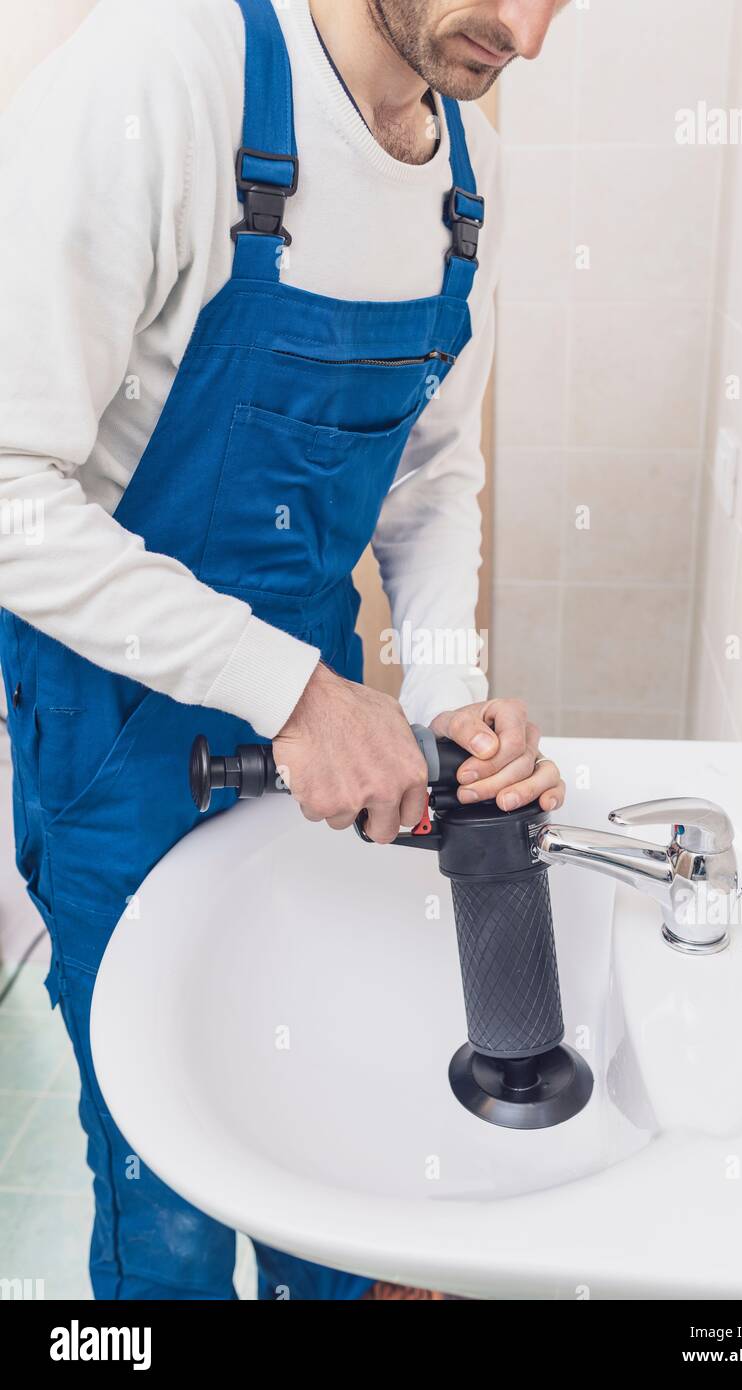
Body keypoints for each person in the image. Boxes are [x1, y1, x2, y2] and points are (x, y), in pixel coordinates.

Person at [0, 0, 569, 1300]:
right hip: (119, 746)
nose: (528, 36)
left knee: (331, 1154)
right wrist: (291, 691)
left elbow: (432, 475)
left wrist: (443, 694)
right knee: (175, 1220)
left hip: (324, 730)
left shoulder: (469, 168)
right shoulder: (158, 81)